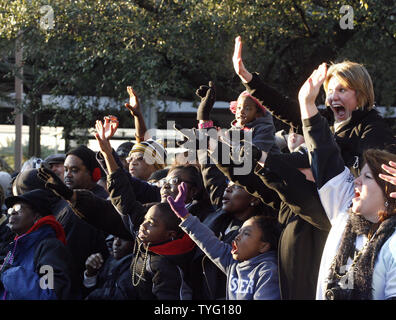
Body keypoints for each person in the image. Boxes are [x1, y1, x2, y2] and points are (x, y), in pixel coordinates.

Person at [298, 62, 396, 300]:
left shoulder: (392, 243)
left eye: (367, 176)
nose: (356, 183)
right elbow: (324, 155)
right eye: (330, 91)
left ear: (388, 186)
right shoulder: (344, 212)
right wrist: (306, 103)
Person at [233, 36, 395, 177]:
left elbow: (376, 178)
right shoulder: (324, 121)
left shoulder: (374, 131)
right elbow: (284, 107)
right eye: (330, 91)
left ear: (360, 94)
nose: (333, 97)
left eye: (342, 90)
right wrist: (247, 78)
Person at [168, 182, 281, 300]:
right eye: (239, 232)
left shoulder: (268, 271)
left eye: (246, 234)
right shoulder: (233, 262)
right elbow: (208, 241)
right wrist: (184, 215)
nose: (237, 237)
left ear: (263, 246)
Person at [0, 189, 72, 299]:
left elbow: (49, 294)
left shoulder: (49, 247)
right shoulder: (14, 248)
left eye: (19, 209)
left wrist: (10, 273)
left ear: (36, 216)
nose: (12, 213)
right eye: (11, 210)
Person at [195, 81, 280, 154]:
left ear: (258, 113)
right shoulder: (236, 129)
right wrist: (204, 116)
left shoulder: (265, 129)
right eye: (239, 107)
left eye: (247, 108)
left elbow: (254, 153)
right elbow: (216, 147)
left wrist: (228, 142)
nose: (241, 111)